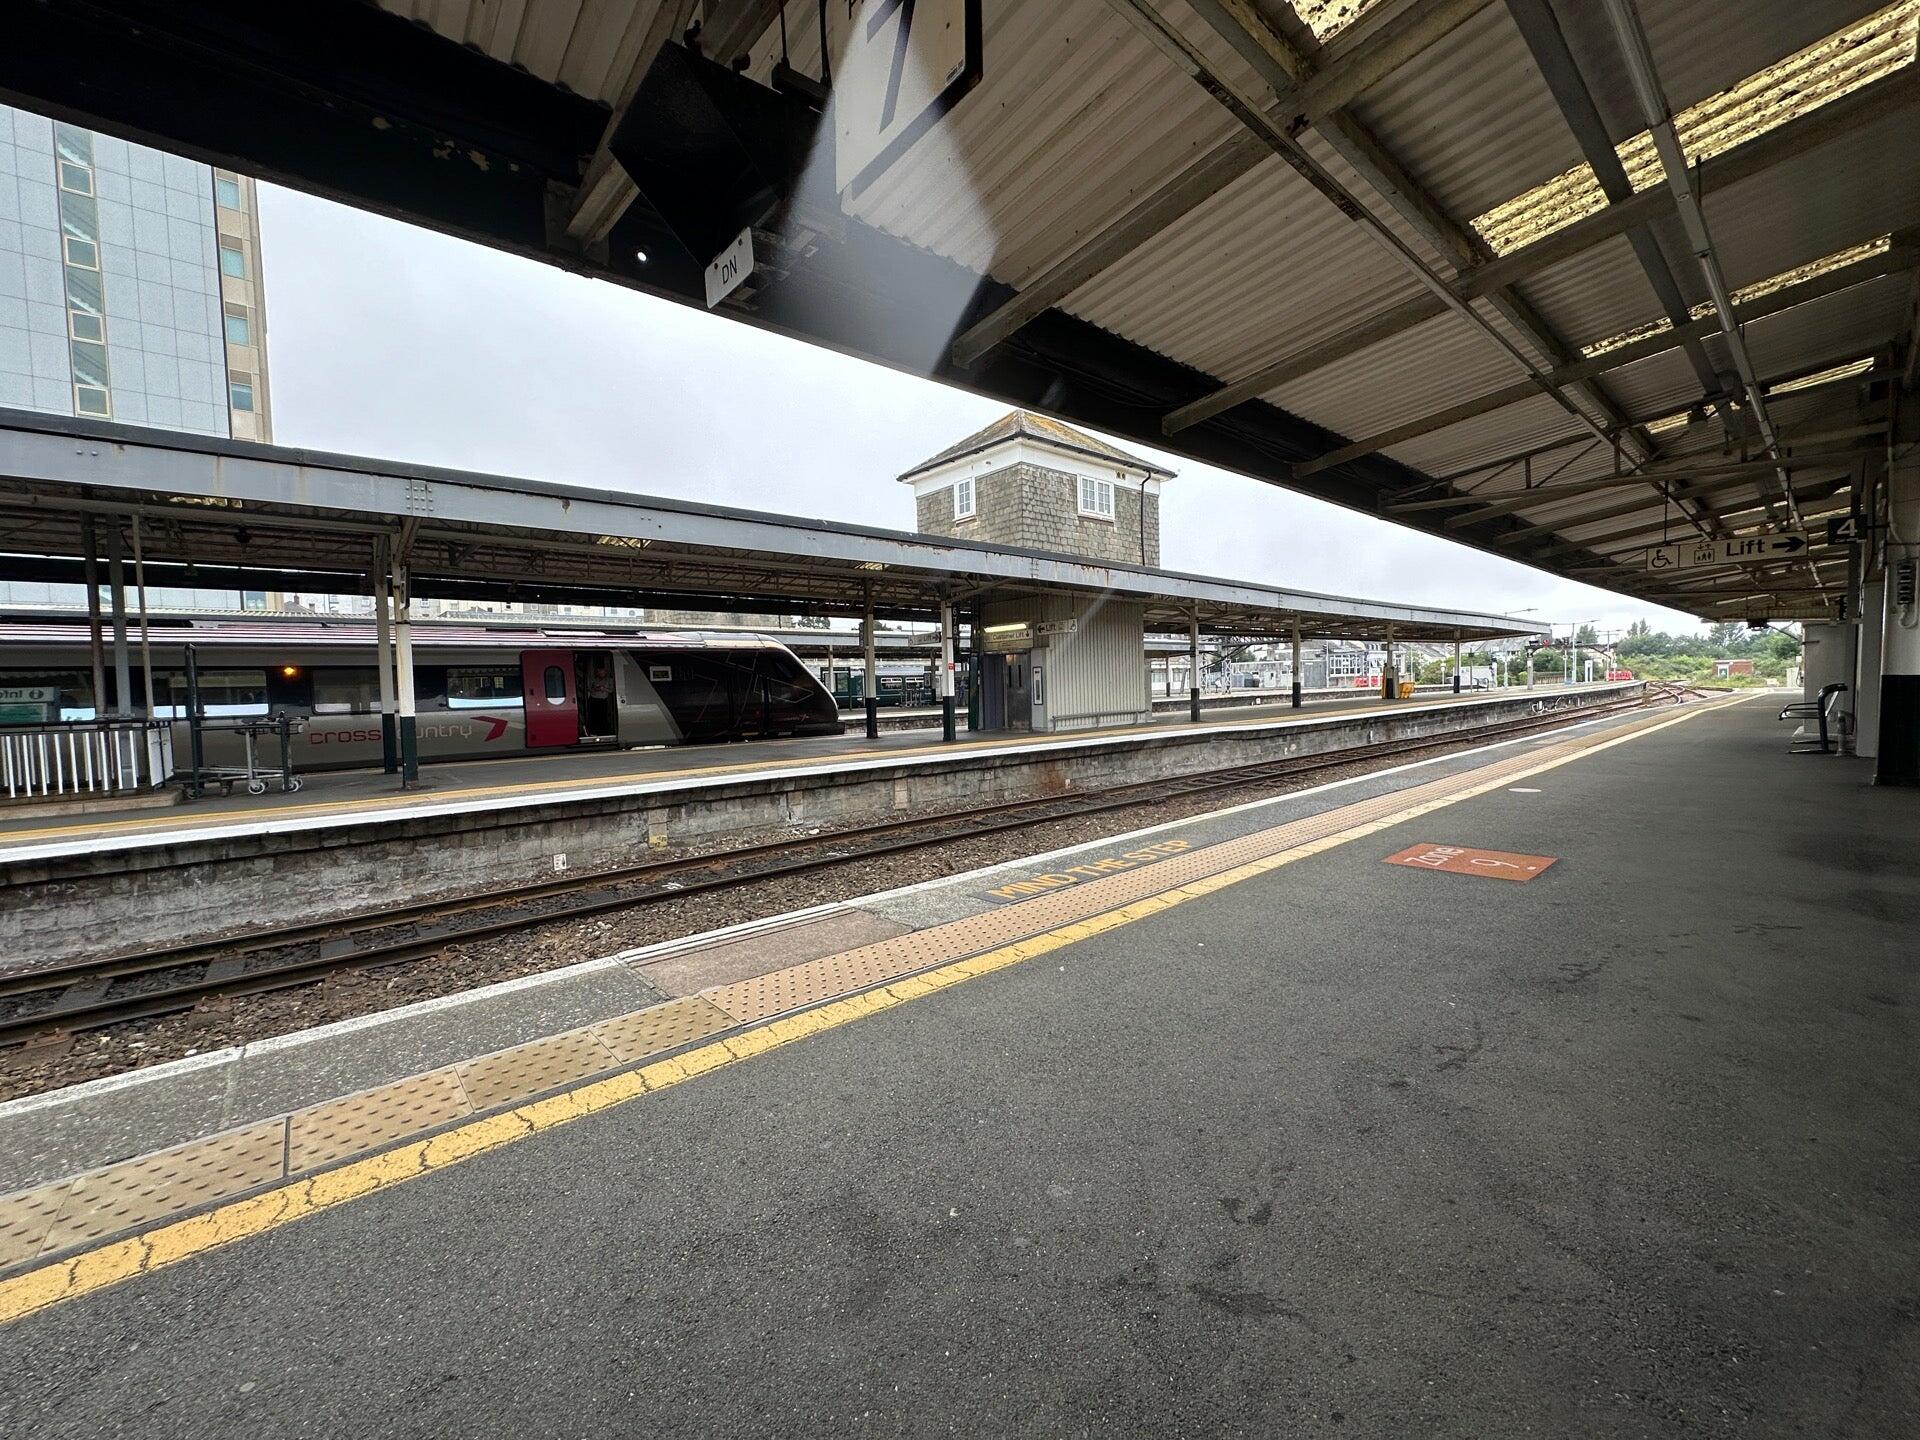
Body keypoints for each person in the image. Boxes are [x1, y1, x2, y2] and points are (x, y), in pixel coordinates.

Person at [585, 660, 615, 737]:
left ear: (605, 672)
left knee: (602, 717)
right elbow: (589, 689)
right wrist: (595, 689)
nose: (601, 674)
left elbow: (612, 690)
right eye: (599, 672)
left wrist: (604, 689)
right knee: (594, 717)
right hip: (593, 699)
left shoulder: (609, 680)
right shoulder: (594, 679)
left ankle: (603, 732)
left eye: (602, 672)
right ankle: (593, 732)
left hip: (603, 700)